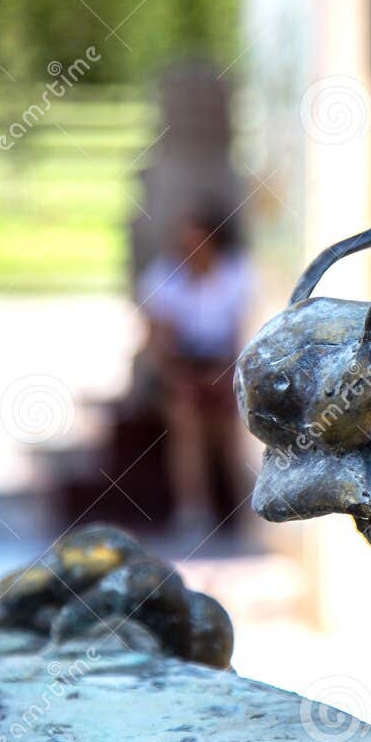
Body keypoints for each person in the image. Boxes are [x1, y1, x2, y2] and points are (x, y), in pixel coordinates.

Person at [138, 210, 254, 535]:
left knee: (234, 429)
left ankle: (246, 508)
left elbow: (244, 332)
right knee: (186, 423)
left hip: (229, 367)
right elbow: (159, 338)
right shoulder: (165, 277)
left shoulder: (238, 275)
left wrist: (226, 374)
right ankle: (194, 510)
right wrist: (180, 377)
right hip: (184, 371)